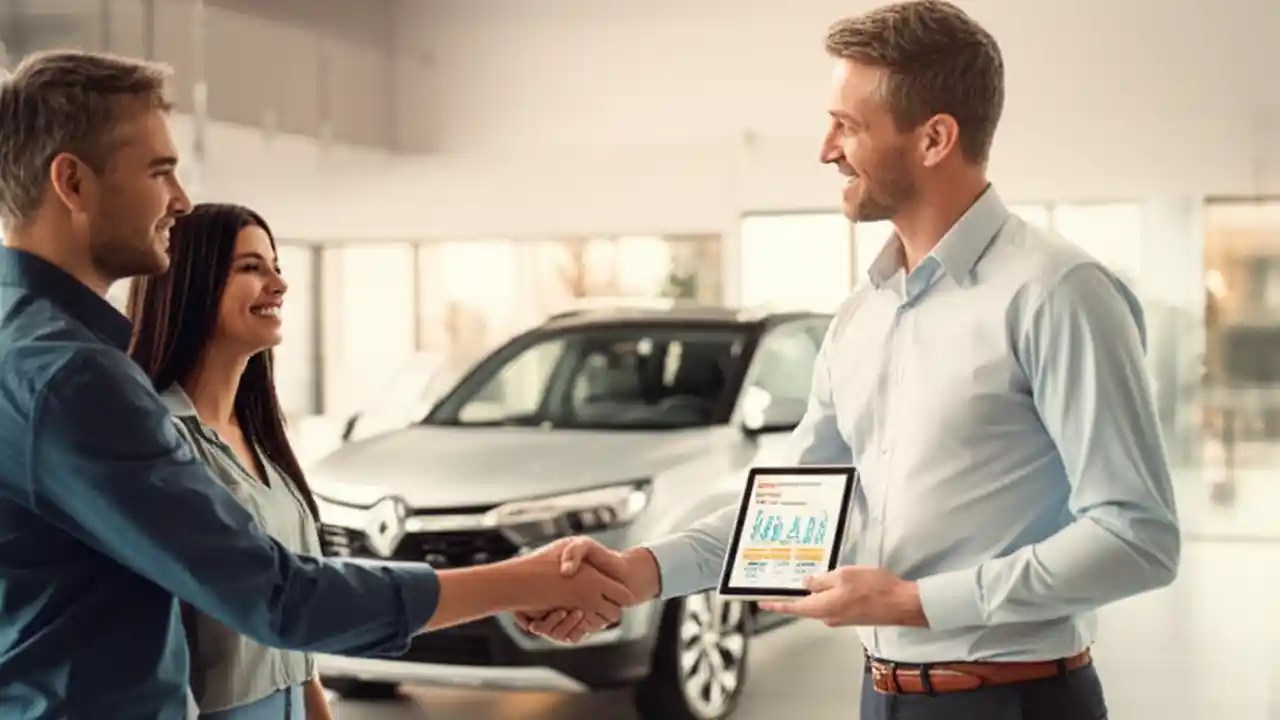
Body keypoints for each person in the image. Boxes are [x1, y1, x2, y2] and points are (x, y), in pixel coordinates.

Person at [520, 2, 1180, 718]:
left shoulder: (1058, 292)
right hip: (880, 694)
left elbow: (1137, 536)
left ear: (934, 138)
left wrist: (917, 603)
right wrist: (636, 573)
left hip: (1015, 700)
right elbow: (791, 517)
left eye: (848, 125)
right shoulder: (861, 318)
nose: (825, 149)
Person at [0, 50, 633, 720]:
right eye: (160, 172)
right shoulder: (75, 378)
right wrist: (522, 579)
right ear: (72, 181)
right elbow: (279, 599)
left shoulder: (31, 350)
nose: (179, 200)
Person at [125, 203, 333, 719]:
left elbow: (295, 634)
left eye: (275, 265)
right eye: (250, 267)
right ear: (190, 284)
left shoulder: (262, 444)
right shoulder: (159, 443)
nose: (279, 284)